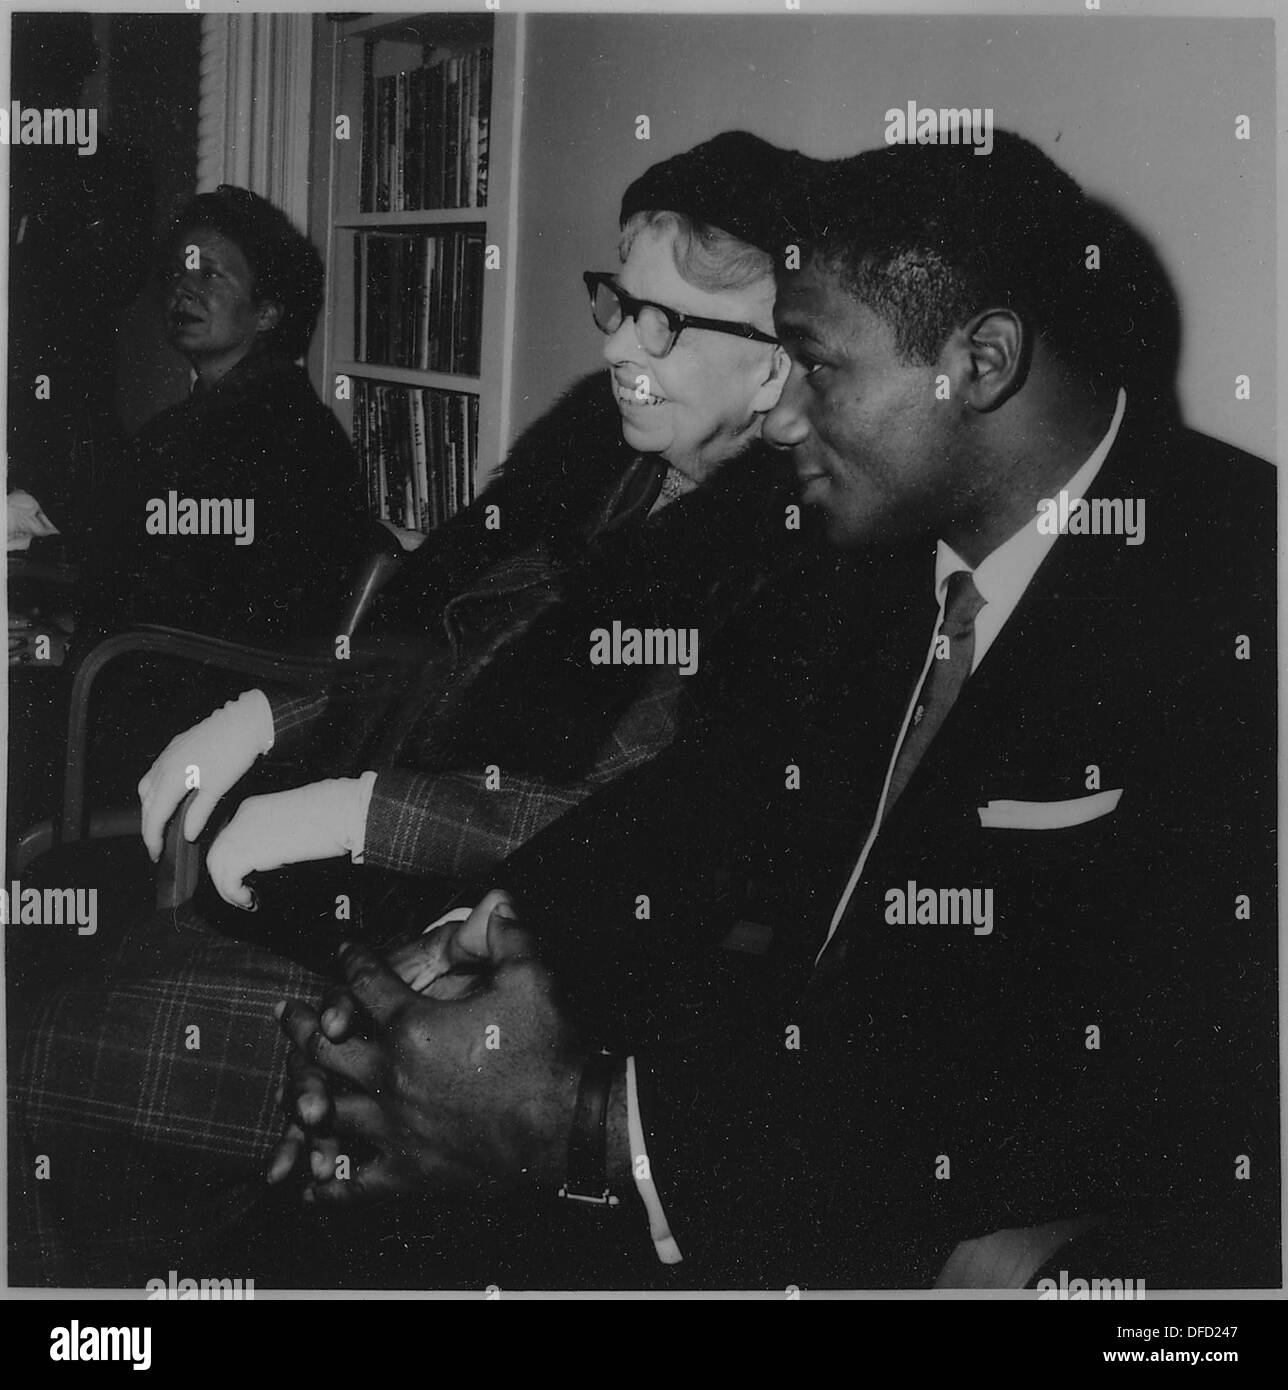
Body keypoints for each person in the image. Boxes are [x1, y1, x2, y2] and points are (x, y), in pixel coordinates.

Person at [268, 132, 1277, 1289]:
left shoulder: (1238, 597)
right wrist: (472, 947)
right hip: (756, 1146)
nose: (784, 417)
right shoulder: (874, 552)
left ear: (982, 360)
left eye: (818, 365)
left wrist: (592, 1118)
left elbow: (1136, 1085)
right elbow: (710, 790)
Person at [8, 134, 806, 1284]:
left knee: (29, 1060)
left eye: (665, 324)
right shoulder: (606, 466)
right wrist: (257, 722)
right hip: (353, 913)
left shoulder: (775, 572)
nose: (619, 347)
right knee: (73, 1042)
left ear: (777, 369)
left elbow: (615, 828)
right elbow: (414, 647)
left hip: (467, 1005)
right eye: (619, 304)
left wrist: (353, 810)